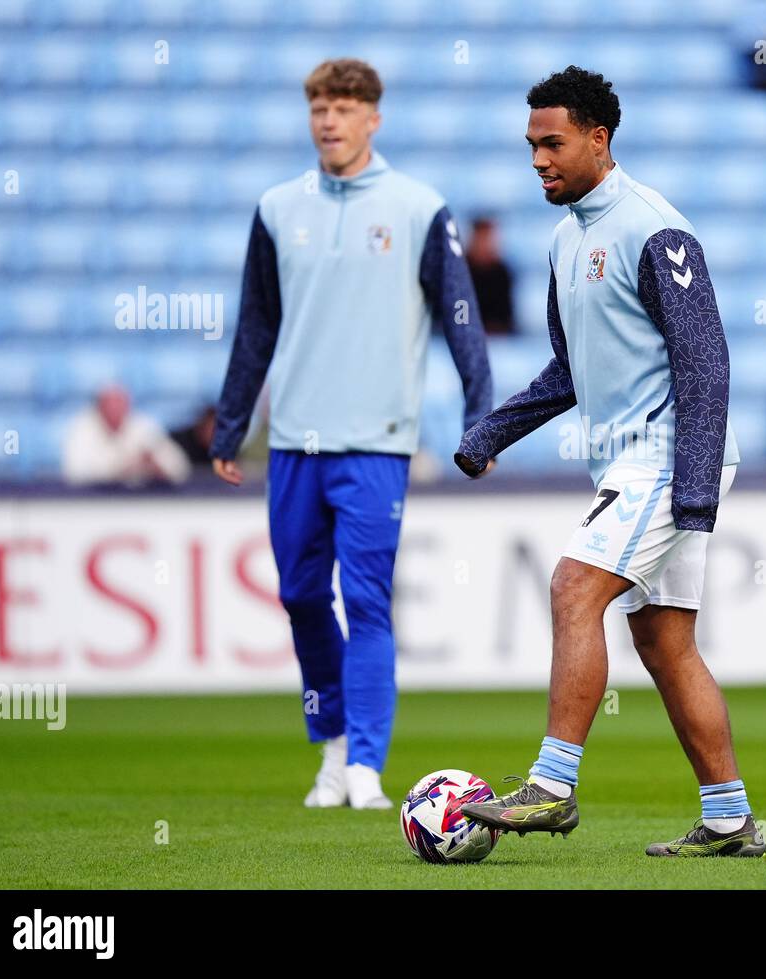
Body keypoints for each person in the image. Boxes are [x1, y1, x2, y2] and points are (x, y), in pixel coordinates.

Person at [452, 67, 765, 858]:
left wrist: (692, 489)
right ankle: (729, 816)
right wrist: (491, 433)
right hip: (630, 461)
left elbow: (705, 363)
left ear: (599, 139)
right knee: (664, 641)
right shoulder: (565, 240)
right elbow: (568, 370)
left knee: (571, 585)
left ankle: (552, 787)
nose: (537, 160)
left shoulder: (655, 228)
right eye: (530, 145)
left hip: (667, 454)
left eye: (552, 143)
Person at [210, 59, 491, 808]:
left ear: (374, 118)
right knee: (302, 594)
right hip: (293, 439)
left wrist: (481, 421)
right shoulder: (276, 209)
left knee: (365, 600)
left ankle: (363, 761)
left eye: (344, 107)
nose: (329, 120)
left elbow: (462, 318)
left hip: (377, 439)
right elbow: (256, 325)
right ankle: (332, 739)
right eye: (319, 108)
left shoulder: (418, 207)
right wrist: (232, 423)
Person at [62, 384, 191, 486]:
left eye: (120, 404)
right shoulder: (82, 429)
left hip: (138, 506)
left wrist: (155, 466)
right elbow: (75, 473)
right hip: (93, 507)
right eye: (110, 405)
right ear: (99, 407)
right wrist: (121, 469)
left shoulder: (142, 425)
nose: (116, 410)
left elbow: (180, 469)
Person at [465, 216, 517, 336]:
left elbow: (507, 318)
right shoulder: (459, 272)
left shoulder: (503, 273)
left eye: (488, 239)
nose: (485, 244)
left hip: (497, 340)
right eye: (481, 239)